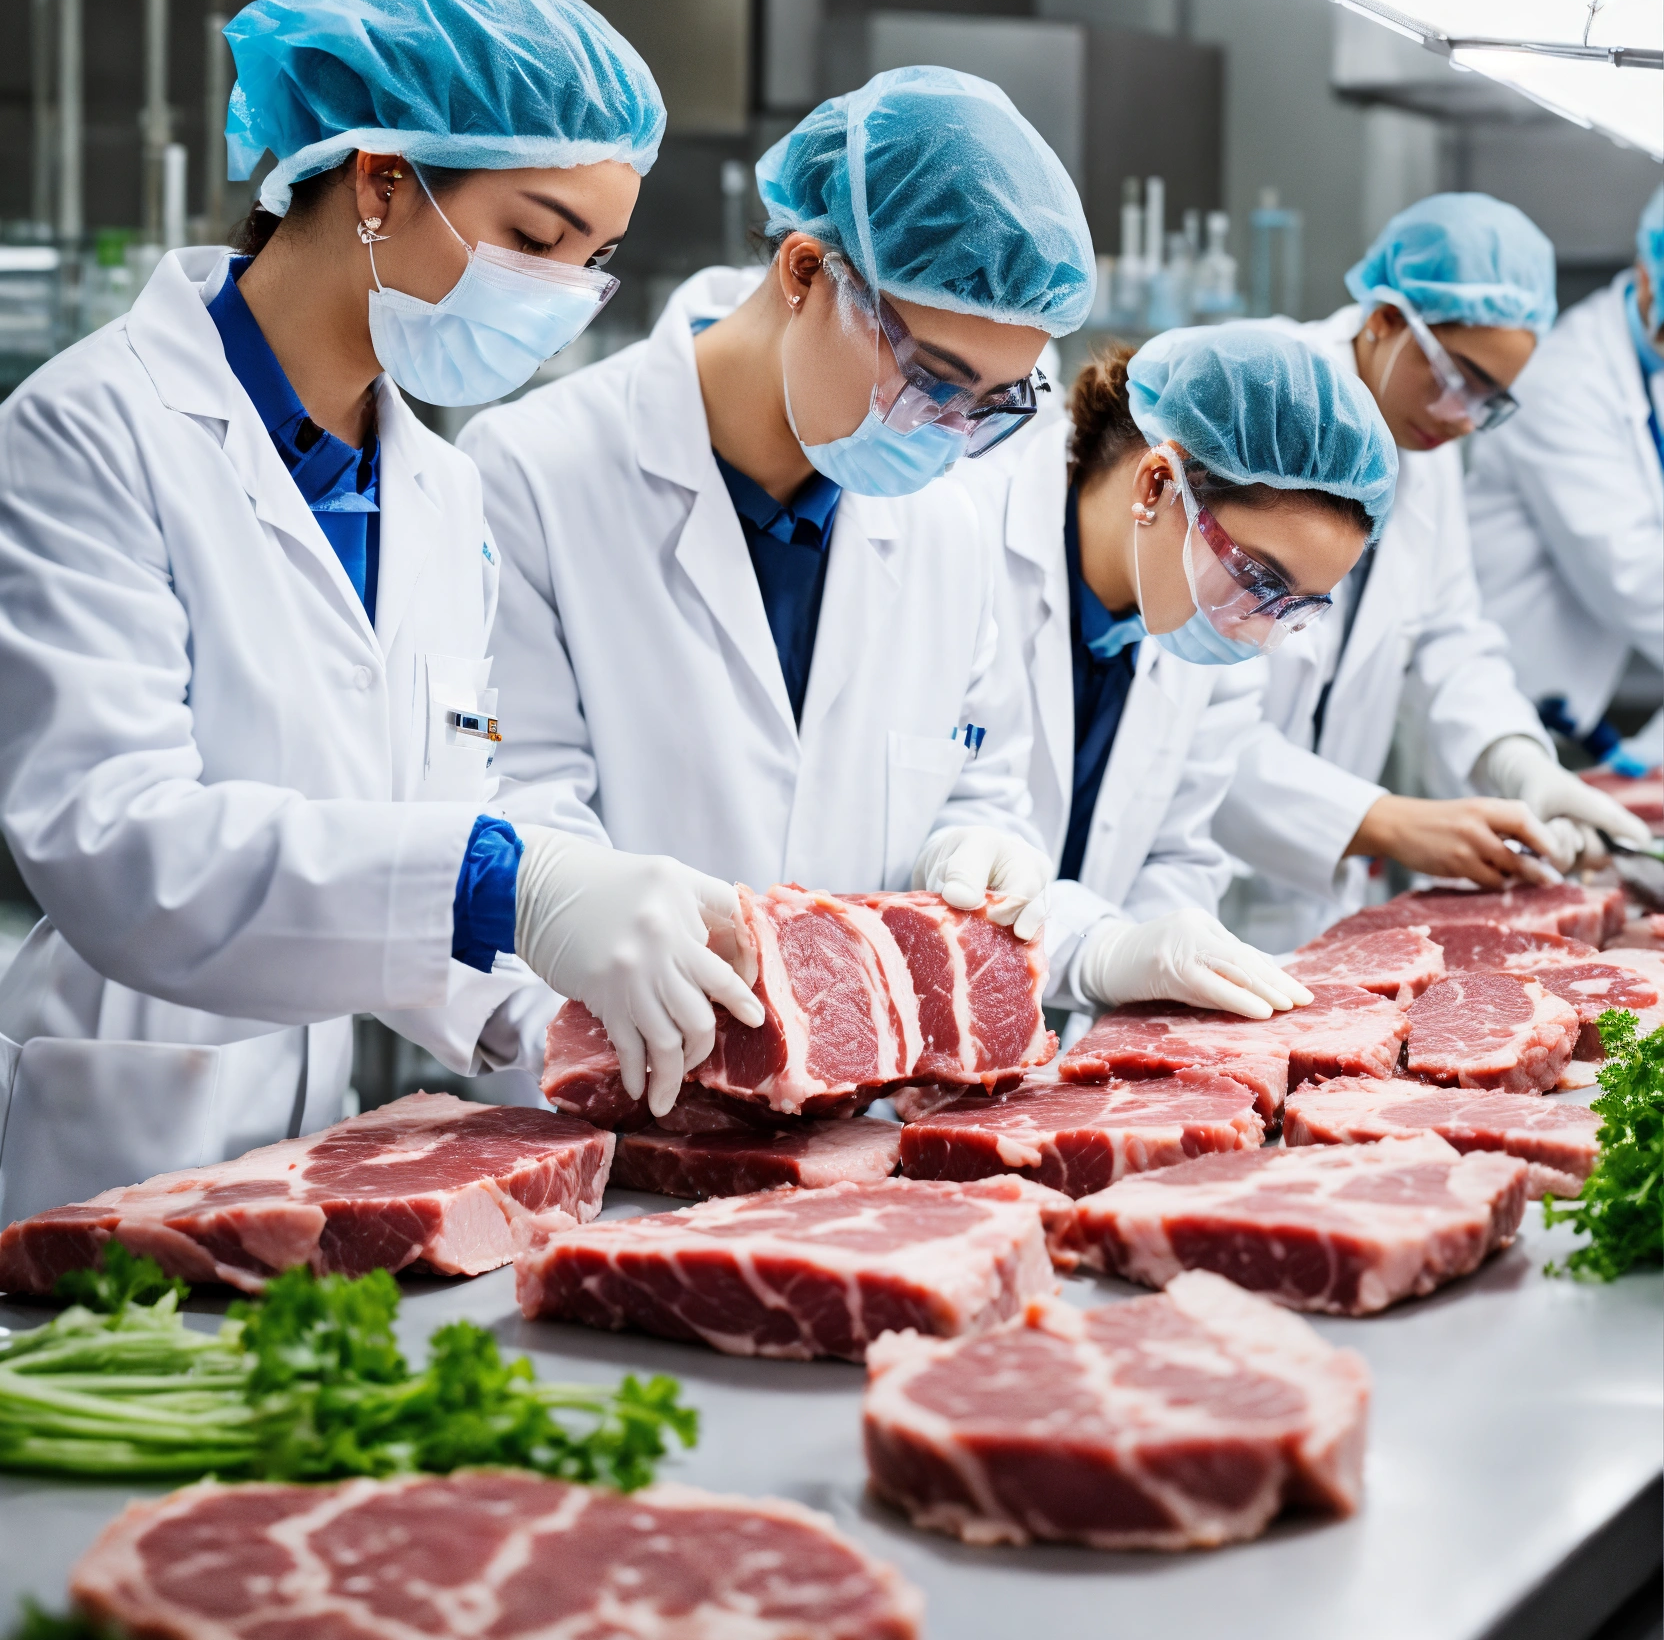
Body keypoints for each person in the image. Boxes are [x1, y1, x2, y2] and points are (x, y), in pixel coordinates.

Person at [0, 0, 762, 1223]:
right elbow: (117, 843)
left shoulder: (437, 491)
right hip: (116, 1129)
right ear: (378, 179)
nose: (565, 295)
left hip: (323, 1163)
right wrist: (502, 882)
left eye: (596, 257)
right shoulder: (89, 429)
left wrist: (588, 1026)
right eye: (535, 237)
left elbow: (416, 844)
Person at [464, 66, 1094, 1089]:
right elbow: (509, 810)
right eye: (933, 379)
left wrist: (976, 841)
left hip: (852, 1119)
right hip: (608, 1097)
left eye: (990, 402)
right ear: (803, 272)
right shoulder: (534, 472)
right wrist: (611, 1040)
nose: (949, 429)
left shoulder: (945, 519)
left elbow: (973, 766)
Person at [1213, 192, 1653, 950]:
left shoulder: (1418, 453)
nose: (1460, 417)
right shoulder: (1261, 403)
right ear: (1383, 319)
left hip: (1319, 904)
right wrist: (1387, 822)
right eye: (1458, 377)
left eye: (1488, 400)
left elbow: (1450, 641)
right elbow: (1191, 712)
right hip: (1191, 878)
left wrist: (1521, 765)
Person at [966, 325, 1392, 1025]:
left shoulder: (1206, 637)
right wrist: (1102, 949)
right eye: (1258, 578)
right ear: (1158, 483)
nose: (1263, 630)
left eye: (1297, 608)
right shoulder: (971, 548)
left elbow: (1180, 852)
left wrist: (1143, 956)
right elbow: (956, 838)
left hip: (1059, 1050)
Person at [1467, 186, 1664, 778]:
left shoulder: (1648, 364)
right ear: (1647, 279)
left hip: (1577, 703)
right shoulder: (1564, 382)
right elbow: (1632, 574)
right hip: (1499, 695)